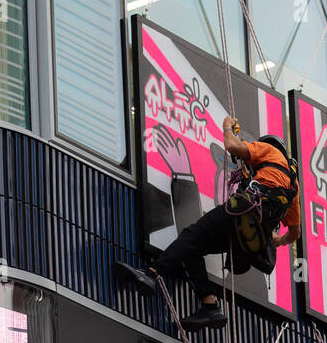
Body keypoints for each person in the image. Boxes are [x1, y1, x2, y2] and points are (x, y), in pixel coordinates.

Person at [117, 115, 301, 331]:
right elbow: (294, 234)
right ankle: (210, 306)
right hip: (251, 236)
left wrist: (227, 128)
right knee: (193, 248)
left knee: (191, 235)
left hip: (242, 212)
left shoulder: (270, 151)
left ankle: (151, 274)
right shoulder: (292, 185)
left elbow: (233, 145)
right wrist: (276, 239)